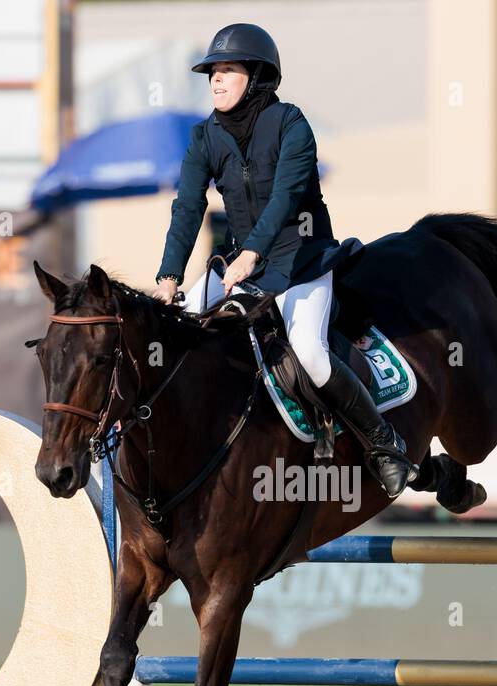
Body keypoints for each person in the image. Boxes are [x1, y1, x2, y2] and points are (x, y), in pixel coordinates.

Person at [152, 23, 416, 498]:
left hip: (302, 263)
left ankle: (384, 442)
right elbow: (188, 205)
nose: (215, 79)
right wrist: (170, 274)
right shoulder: (203, 137)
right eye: (212, 71)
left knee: (311, 354)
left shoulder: (292, 124)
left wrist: (251, 253)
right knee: (176, 338)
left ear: (256, 77)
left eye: (227, 70)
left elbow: (285, 198)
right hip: (241, 265)